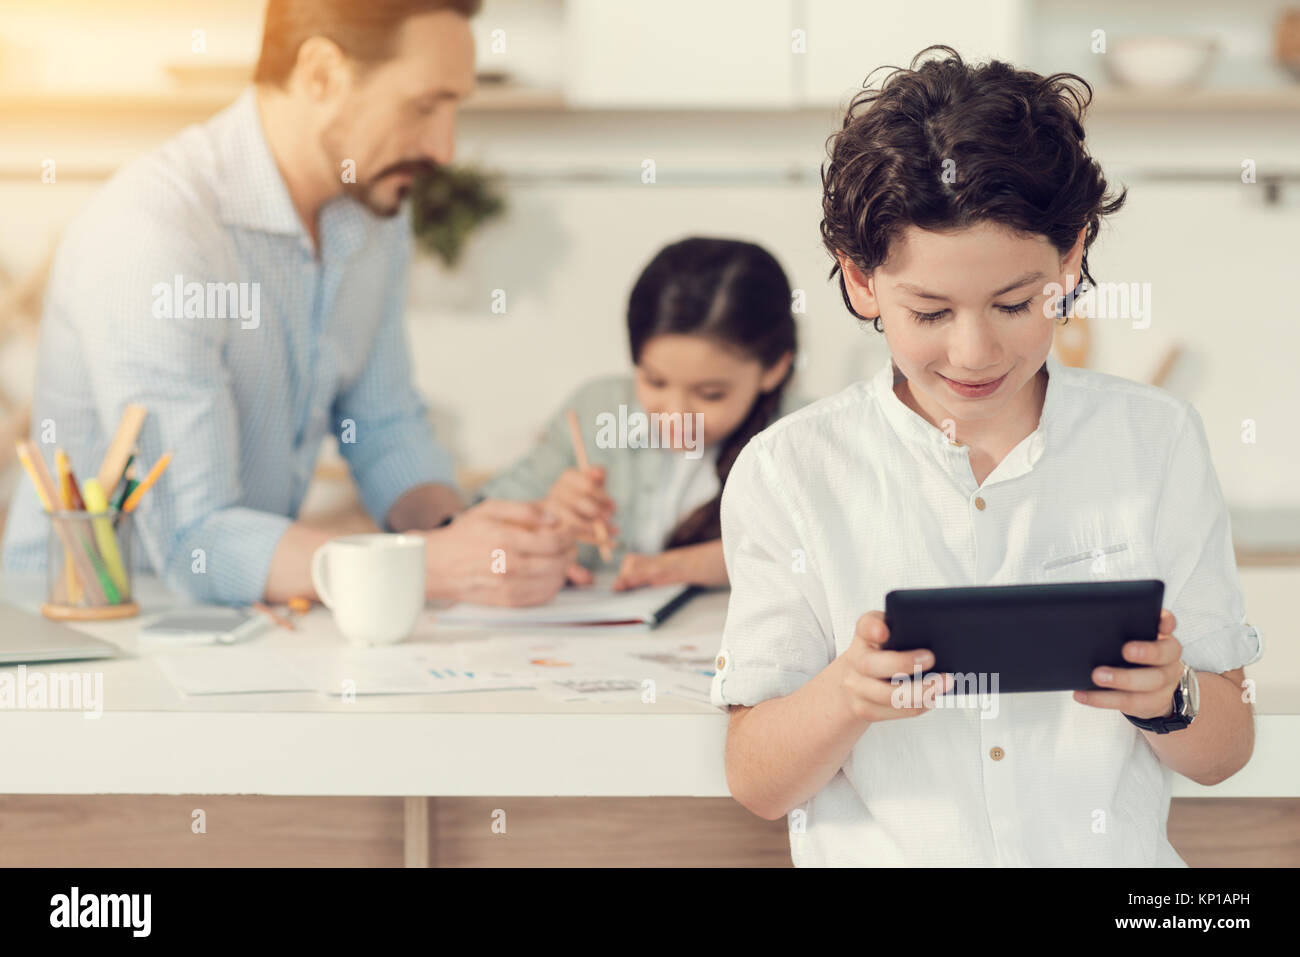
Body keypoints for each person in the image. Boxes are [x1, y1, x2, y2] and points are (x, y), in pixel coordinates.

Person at [713, 46, 1263, 866]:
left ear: (1071, 257)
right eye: (930, 311)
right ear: (861, 281)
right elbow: (758, 781)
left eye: (1015, 302)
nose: (973, 352)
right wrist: (845, 695)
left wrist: (1169, 696)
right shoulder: (791, 469)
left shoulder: (1153, 442)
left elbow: (1226, 748)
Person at [3, 0, 585, 607]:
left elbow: (384, 424)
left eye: (455, 108)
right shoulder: (155, 232)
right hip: (96, 624)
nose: (444, 147)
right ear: (321, 75)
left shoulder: (372, 212)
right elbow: (192, 539)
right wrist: (427, 566)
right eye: (423, 107)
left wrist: (467, 537)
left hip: (246, 627)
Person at [476, 237, 802, 591]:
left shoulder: (805, 435)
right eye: (655, 382)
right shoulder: (597, 409)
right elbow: (476, 520)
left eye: (710, 394)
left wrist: (684, 567)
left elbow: (816, 554)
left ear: (774, 368)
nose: (676, 415)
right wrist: (545, 516)